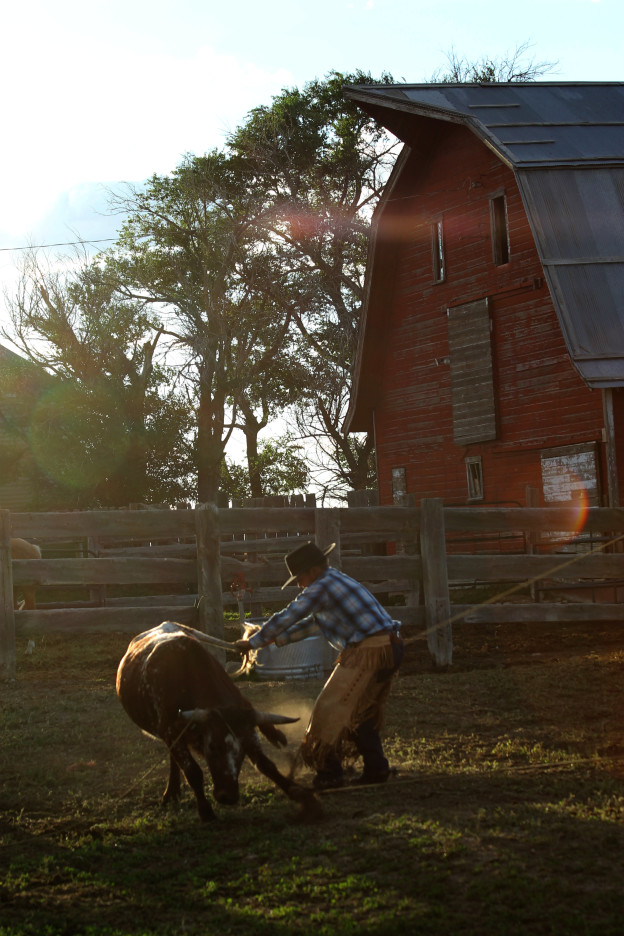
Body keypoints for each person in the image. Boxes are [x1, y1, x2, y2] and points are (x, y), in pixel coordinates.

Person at [235, 541, 404, 790]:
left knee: (328, 709)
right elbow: (314, 624)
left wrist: (254, 642)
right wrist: (274, 639)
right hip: (388, 648)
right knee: (360, 712)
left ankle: (330, 773)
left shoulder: (321, 586)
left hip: (369, 651)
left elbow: (292, 613)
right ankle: (376, 766)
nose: (300, 584)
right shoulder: (334, 582)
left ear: (312, 571)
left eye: (300, 578)